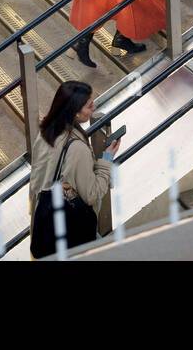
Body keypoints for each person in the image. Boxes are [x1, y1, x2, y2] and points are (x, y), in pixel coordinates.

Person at [28, 81, 117, 257]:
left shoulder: (47, 130)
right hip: (71, 228)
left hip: (44, 215)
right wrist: (107, 159)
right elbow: (91, 194)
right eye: (89, 104)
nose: (94, 106)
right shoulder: (77, 148)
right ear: (75, 112)